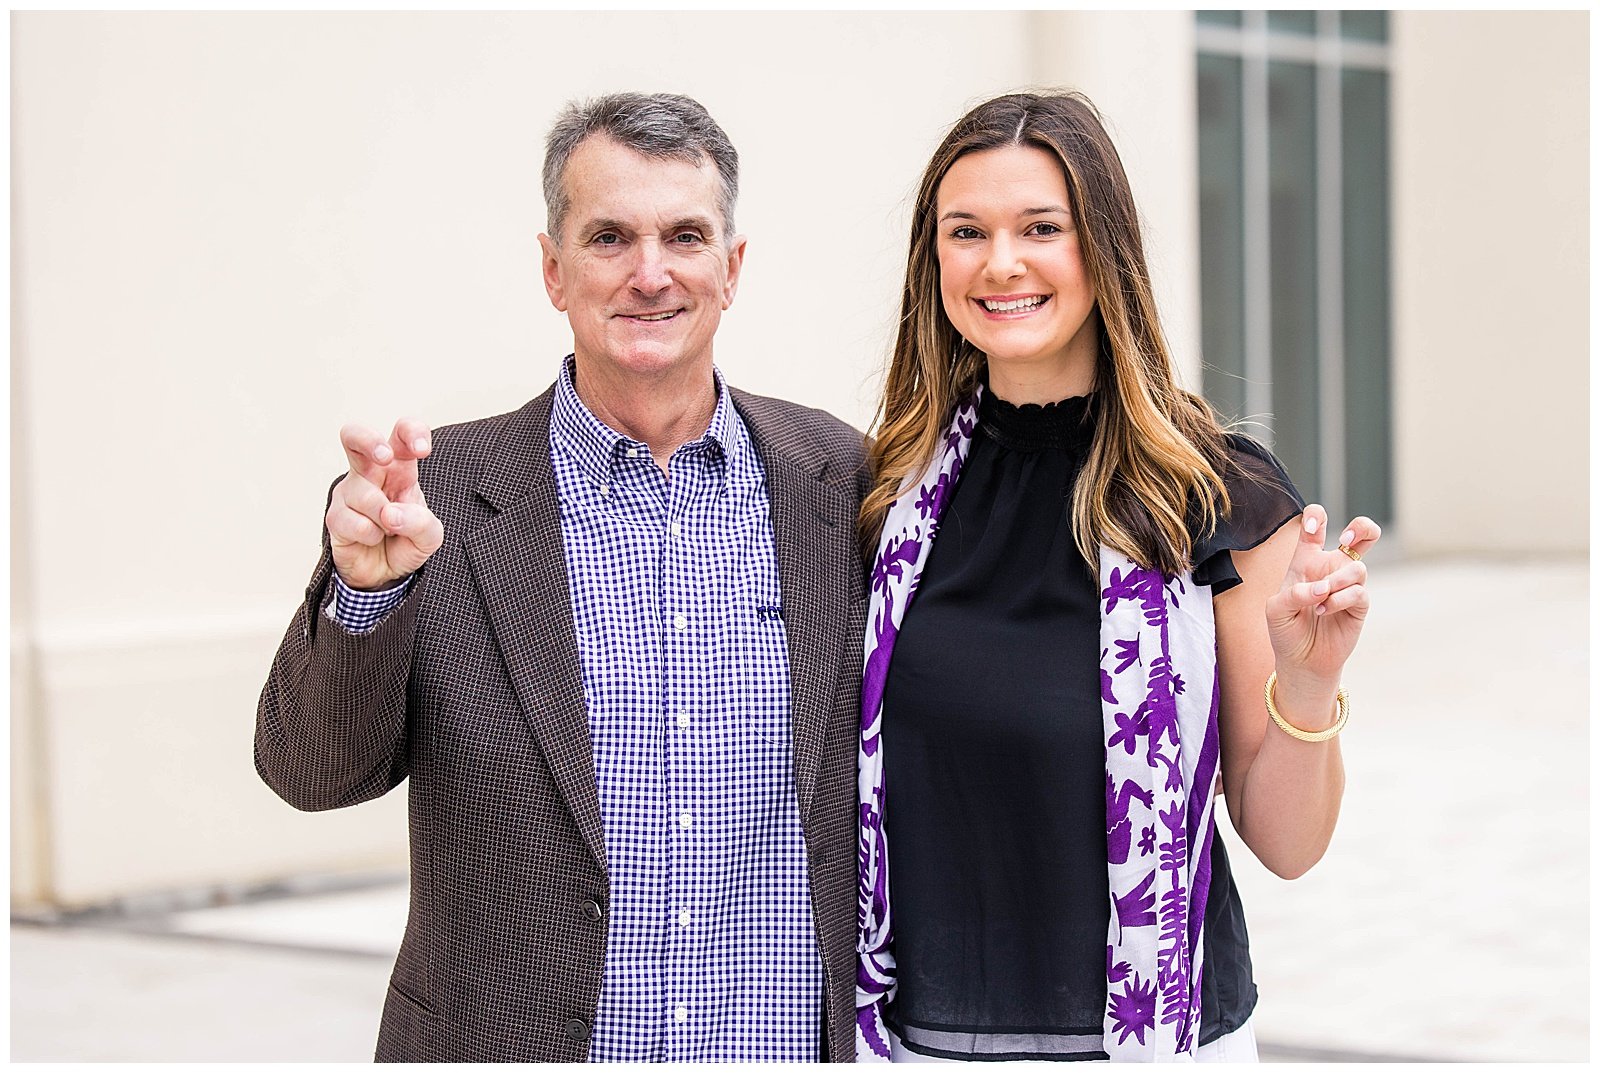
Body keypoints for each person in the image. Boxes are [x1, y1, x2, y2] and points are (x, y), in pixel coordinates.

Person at [255, 92, 868, 1062]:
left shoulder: (840, 484)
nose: (650, 272)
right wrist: (367, 592)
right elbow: (315, 772)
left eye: (685, 235)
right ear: (553, 268)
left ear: (732, 266)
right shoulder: (433, 498)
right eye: (609, 236)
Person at [853, 91, 1381, 1063]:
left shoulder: (1215, 493)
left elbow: (1288, 844)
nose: (999, 261)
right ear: (934, 262)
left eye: (1040, 227)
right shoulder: (891, 494)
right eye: (964, 231)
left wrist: (1306, 680)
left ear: (1103, 245)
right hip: (920, 1042)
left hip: (1156, 1041)